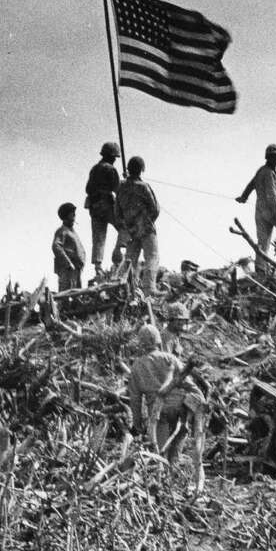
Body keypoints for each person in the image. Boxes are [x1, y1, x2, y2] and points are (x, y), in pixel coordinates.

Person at [127, 324, 208, 493]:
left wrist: (137, 423)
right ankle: (173, 480)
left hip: (158, 413)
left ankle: (164, 486)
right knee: (176, 447)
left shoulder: (136, 366)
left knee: (159, 452)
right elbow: (187, 383)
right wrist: (200, 400)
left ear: (141, 344)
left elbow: (135, 399)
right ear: (158, 341)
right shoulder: (170, 358)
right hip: (180, 411)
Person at [236, 144, 276, 274]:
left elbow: (251, 185)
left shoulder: (261, 171)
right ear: (269, 158)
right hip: (270, 209)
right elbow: (271, 196)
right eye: (274, 157)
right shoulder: (269, 172)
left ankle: (261, 271)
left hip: (259, 211)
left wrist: (243, 198)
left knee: (262, 243)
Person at [114, 156, 160, 294]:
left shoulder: (120, 188)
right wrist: (147, 221)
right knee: (152, 257)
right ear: (141, 170)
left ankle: (128, 290)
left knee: (130, 261)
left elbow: (117, 213)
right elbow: (155, 209)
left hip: (130, 230)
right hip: (146, 228)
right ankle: (149, 289)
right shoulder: (143, 187)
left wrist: (128, 226)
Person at [84, 141, 124, 277]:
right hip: (106, 205)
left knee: (98, 237)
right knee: (124, 227)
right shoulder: (110, 169)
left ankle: (98, 266)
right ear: (111, 156)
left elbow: (87, 188)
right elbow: (118, 189)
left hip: (94, 207)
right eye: (114, 157)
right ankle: (118, 254)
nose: (115, 160)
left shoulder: (94, 169)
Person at [52, 202, 87, 292]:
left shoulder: (72, 232)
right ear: (66, 216)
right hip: (68, 270)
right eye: (72, 213)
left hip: (76, 269)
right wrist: (68, 263)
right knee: (67, 296)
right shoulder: (62, 231)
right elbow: (56, 246)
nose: (74, 215)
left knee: (77, 297)